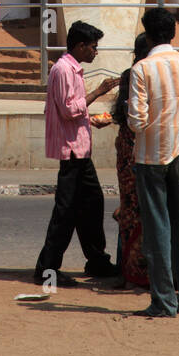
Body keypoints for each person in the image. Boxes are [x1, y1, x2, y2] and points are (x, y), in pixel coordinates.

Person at [127, 7, 179, 318]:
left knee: (157, 226)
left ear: (147, 34)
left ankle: (163, 300)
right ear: (172, 32)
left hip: (150, 155)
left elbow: (135, 120)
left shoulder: (142, 69)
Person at [34, 21, 119, 287]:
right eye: (93, 47)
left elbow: (73, 112)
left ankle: (97, 260)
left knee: (91, 205)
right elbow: (69, 110)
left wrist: (92, 120)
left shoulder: (73, 70)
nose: (96, 52)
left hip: (81, 150)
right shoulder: (63, 70)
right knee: (66, 212)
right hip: (71, 152)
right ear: (80, 46)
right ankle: (47, 269)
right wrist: (100, 91)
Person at [110, 33, 151, 289]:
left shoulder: (130, 74)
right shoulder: (145, 74)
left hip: (127, 149)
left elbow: (120, 113)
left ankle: (126, 269)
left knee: (129, 208)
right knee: (144, 209)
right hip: (142, 148)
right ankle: (141, 270)